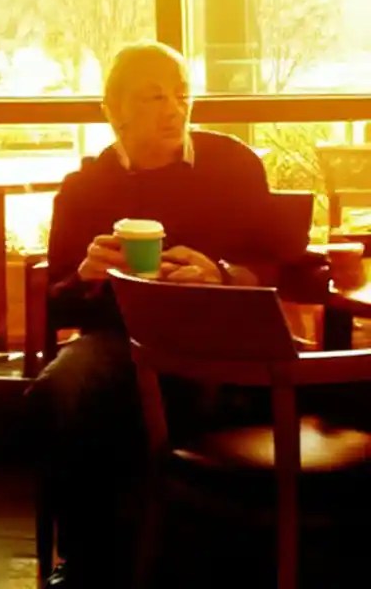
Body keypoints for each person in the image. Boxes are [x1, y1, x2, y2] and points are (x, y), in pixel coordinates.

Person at [29, 41, 309, 588]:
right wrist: (86, 275)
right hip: (122, 341)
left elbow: (279, 261)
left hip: (230, 336)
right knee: (59, 391)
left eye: (182, 95)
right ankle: (85, 561)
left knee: (345, 387)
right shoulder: (85, 188)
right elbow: (57, 297)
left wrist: (221, 272)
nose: (174, 109)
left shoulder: (232, 164)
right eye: (155, 97)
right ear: (114, 110)